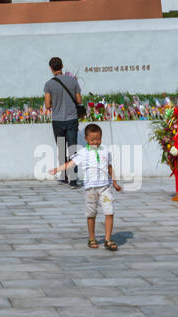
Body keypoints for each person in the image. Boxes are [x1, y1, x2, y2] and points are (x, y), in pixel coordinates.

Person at [48, 122, 121, 250]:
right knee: (91, 213)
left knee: (110, 211)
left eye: (98, 139)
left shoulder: (105, 151)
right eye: (92, 139)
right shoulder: (83, 153)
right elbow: (71, 164)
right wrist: (58, 169)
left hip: (105, 188)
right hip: (91, 189)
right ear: (86, 139)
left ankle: (108, 239)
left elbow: (109, 166)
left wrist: (114, 181)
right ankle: (92, 238)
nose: (95, 142)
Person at [45, 56, 83, 187]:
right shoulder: (73, 81)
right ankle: (73, 178)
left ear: (51, 68)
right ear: (62, 66)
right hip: (72, 119)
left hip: (57, 120)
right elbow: (79, 100)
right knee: (72, 147)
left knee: (61, 147)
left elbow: (47, 105)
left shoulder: (49, 84)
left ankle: (63, 176)